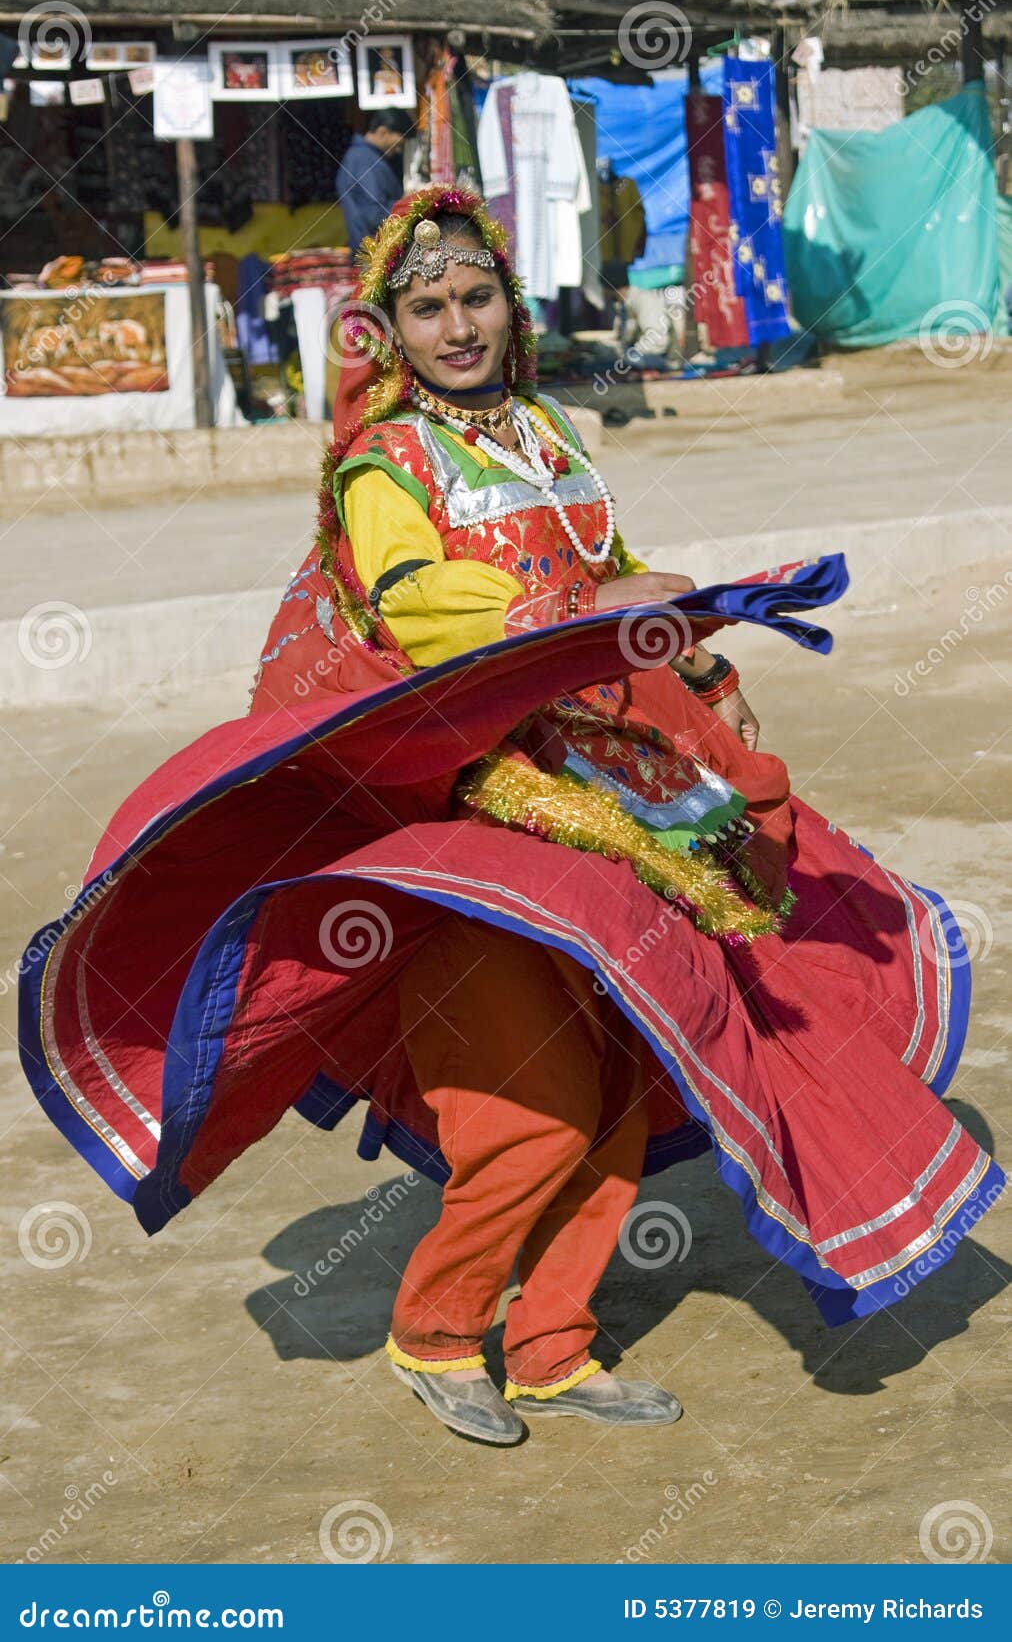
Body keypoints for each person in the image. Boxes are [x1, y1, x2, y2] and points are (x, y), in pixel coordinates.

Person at [20, 188, 1004, 1453]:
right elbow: (420, 610)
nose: (457, 324)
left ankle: (550, 1345)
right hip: (473, 809)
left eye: (475, 296)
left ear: (510, 306)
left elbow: (606, 558)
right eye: (426, 307)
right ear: (389, 331)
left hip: (612, 791)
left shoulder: (544, 429)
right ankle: (434, 1332)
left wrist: (696, 666)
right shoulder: (385, 468)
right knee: (530, 1102)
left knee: (614, 1076)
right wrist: (588, 617)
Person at [335, 108, 412, 254]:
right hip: (375, 255)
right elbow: (374, 213)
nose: (399, 150)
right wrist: (410, 204)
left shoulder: (364, 157)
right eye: (399, 144)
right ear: (382, 131)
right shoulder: (364, 160)